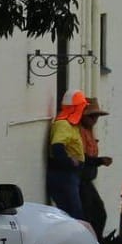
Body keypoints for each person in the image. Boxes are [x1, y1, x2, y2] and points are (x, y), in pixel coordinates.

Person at [48, 90, 87, 219]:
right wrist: (70, 162)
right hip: (64, 174)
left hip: (69, 174)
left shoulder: (71, 125)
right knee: (73, 213)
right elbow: (57, 147)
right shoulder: (63, 124)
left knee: (75, 211)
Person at [78, 97, 113, 239]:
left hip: (87, 180)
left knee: (99, 214)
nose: (95, 120)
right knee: (90, 216)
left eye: (96, 116)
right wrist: (100, 161)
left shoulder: (89, 131)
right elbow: (81, 158)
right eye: (92, 116)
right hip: (80, 181)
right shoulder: (79, 132)